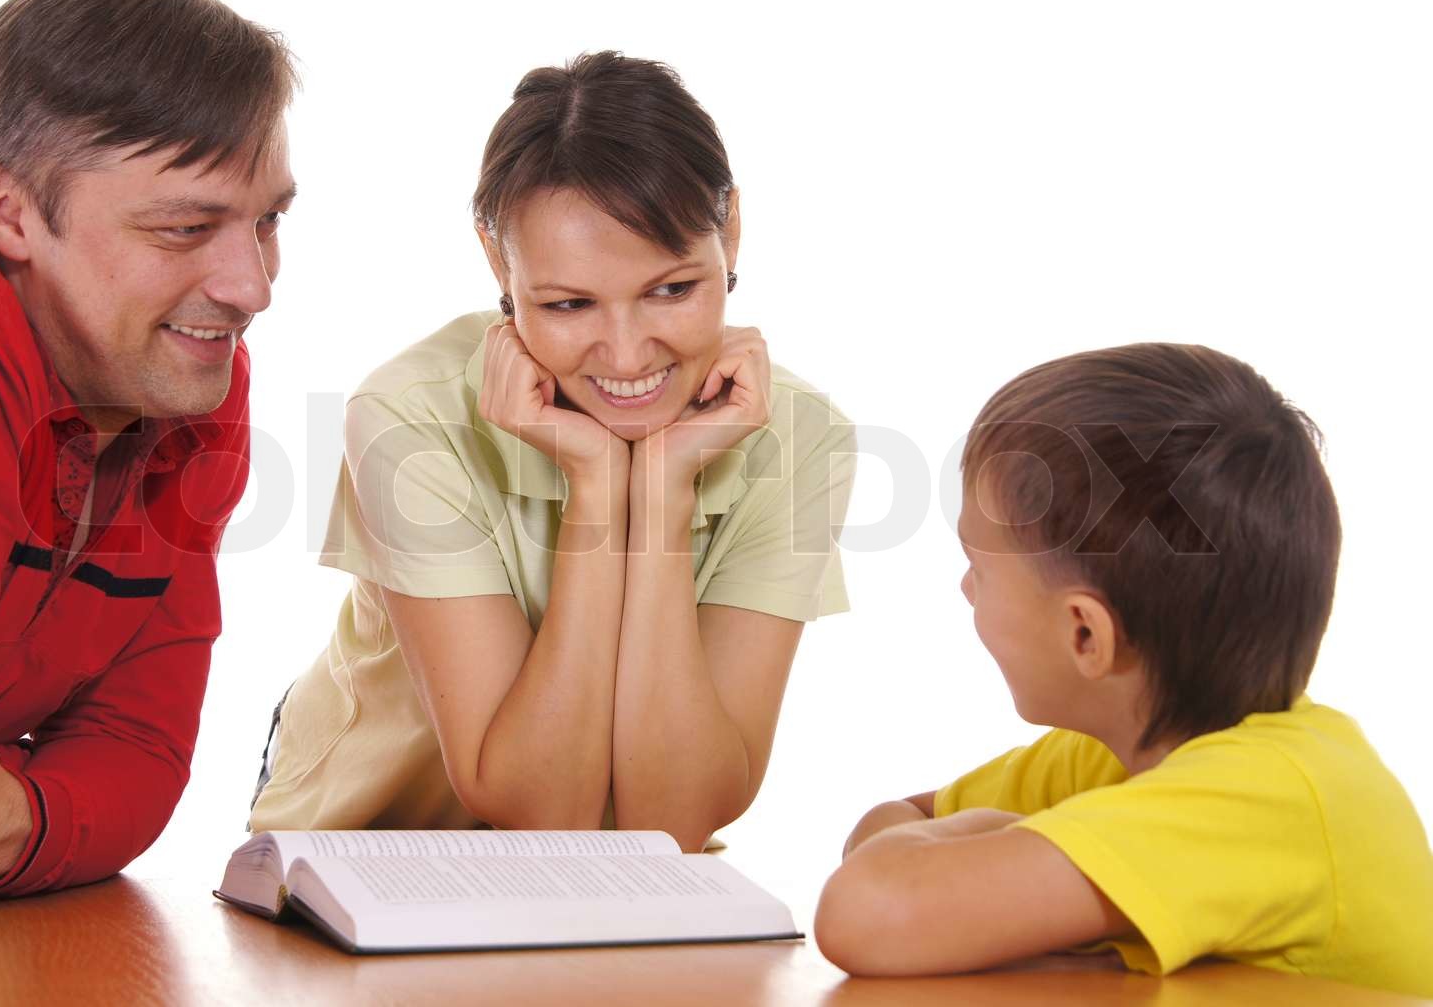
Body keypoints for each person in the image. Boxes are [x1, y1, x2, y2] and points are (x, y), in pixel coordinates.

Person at [250, 52, 855, 851]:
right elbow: (541, 809)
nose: (629, 353)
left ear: (730, 231)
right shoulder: (407, 418)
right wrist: (601, 484)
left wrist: (662, 489)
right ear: (499, 261)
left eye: (672, 290)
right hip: (363, 846)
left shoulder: (800, 435)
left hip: (616, 882)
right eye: (570, 303)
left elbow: (674, 819)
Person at [0, 0, 297, 911]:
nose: (251, 287)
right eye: (183, 227)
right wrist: (25, 801)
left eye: (268, 221)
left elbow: (142, 759)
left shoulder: (191, 385)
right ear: (9, 211)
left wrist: (3, 817)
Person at [814, 344, 1433, 996]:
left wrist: (1003, 842)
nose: (967, 587)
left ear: (1086, 633)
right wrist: (1013, 848)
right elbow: (890, 823)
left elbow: (869, 910)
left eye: (982, 565)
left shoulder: (1266, 795)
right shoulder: (1111, 756)